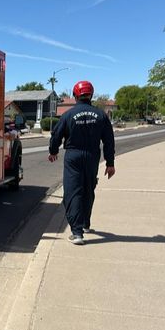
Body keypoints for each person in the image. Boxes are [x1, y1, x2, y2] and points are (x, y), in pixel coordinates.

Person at [48, 81, 116, 245]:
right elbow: (109, 140)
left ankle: (77, 232)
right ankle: (85, 223)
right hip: (92, 156)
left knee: (73, 192)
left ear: (75, 95)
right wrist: (110, 163)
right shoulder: (101, 115)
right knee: (88, 188)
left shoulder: (68, 115)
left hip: (73, 156)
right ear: (91, 94)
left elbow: (56, 134)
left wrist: (53, 151)